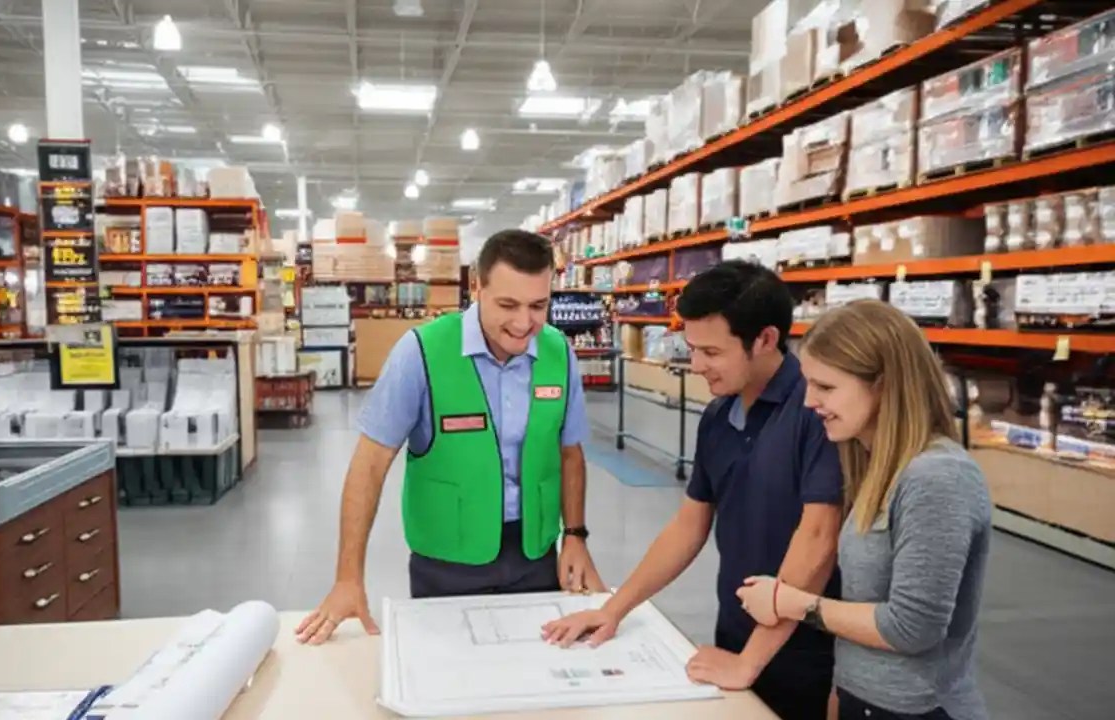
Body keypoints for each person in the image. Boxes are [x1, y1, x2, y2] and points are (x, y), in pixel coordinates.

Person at [541, 260, 842, 720]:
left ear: (764, 339)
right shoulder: (719, 418)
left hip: (806, 646)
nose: (695, 365)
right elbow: (689, 525)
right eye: (692, 348)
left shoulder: (816, 412)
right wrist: (613, 609)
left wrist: (751, 661)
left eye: (712, 352)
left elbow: (818, 542)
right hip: (736, 631)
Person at [296, 229, 603, 645]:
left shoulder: (557, 352)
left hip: (536, 557)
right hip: (446, 562)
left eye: (538, 306)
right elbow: (369, 466)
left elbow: (570, 454)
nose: (523, 323)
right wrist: (348, 578)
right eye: (508, 305)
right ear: (475, 286)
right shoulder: (421, 352)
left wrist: (576, 536)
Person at [737, 299, 992, 720]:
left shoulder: (936, 477)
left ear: (884, 384)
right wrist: (844, 691)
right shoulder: (876, 467)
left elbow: (912, 628)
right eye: (808, 385)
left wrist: (792, 602)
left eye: (827, 387)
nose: (809, 402)